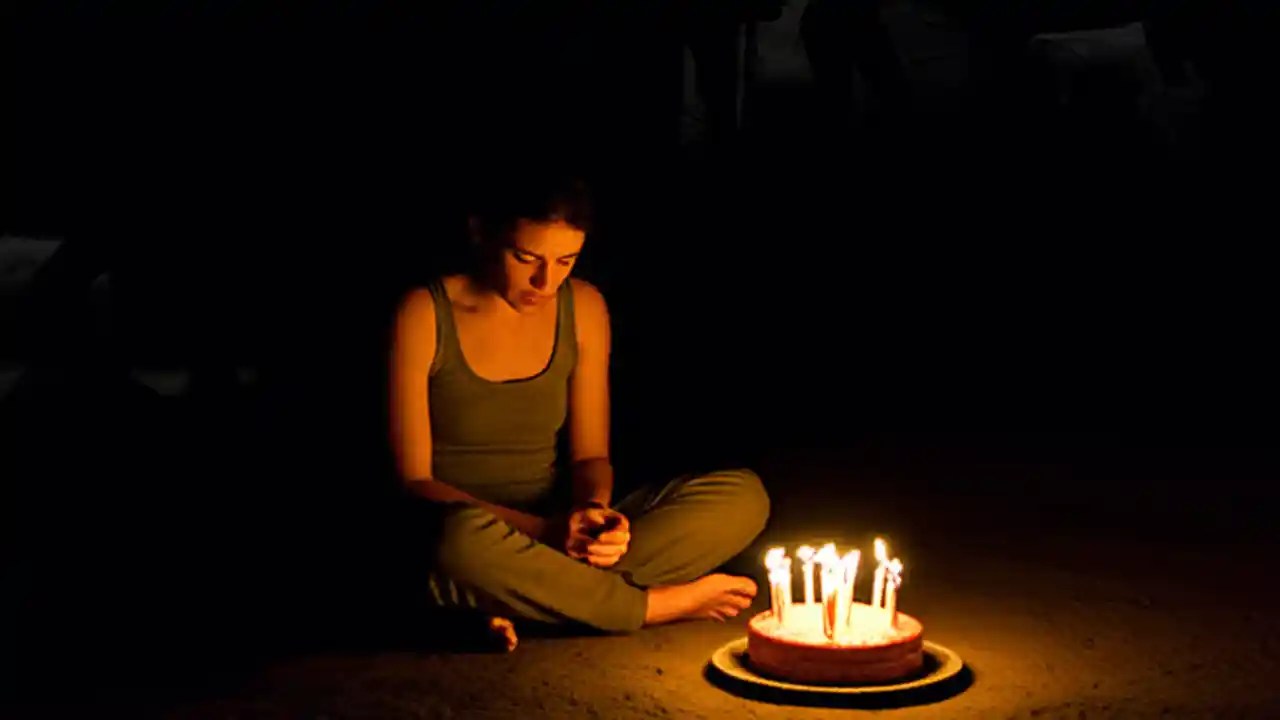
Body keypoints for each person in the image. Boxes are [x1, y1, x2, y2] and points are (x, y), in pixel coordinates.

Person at [388, 172, 769, 651]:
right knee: (456, 545)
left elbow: (590, 455)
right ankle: (647, 607)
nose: (545, 281)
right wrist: (545, 533)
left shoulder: (583, 306)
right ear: (480, 233)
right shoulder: (423, 311)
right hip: (466, 530)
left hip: (556, 526)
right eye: (525, 258)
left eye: (565, 260)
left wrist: (593, 513)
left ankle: (520, 602)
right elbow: (415, 482)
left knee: (742, 496)